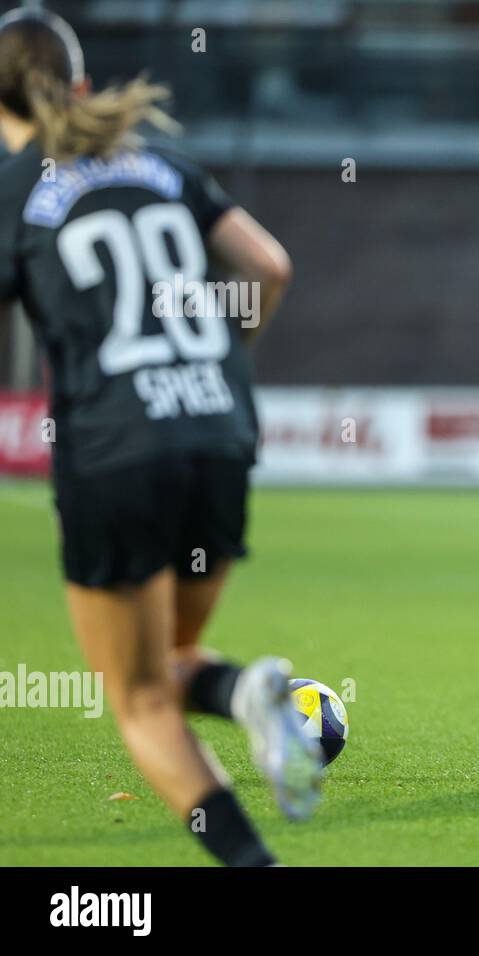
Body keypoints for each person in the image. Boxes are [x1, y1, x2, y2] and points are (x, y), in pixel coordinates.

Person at [0, 7, 322, 864]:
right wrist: (217, 360)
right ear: (77, 85)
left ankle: (249, 858)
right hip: (217, 433)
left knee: (137, 697)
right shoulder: (161, 165)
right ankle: (243, 689)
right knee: (170, 660)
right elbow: (269, 267)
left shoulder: (13, 189)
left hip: (113, 450)